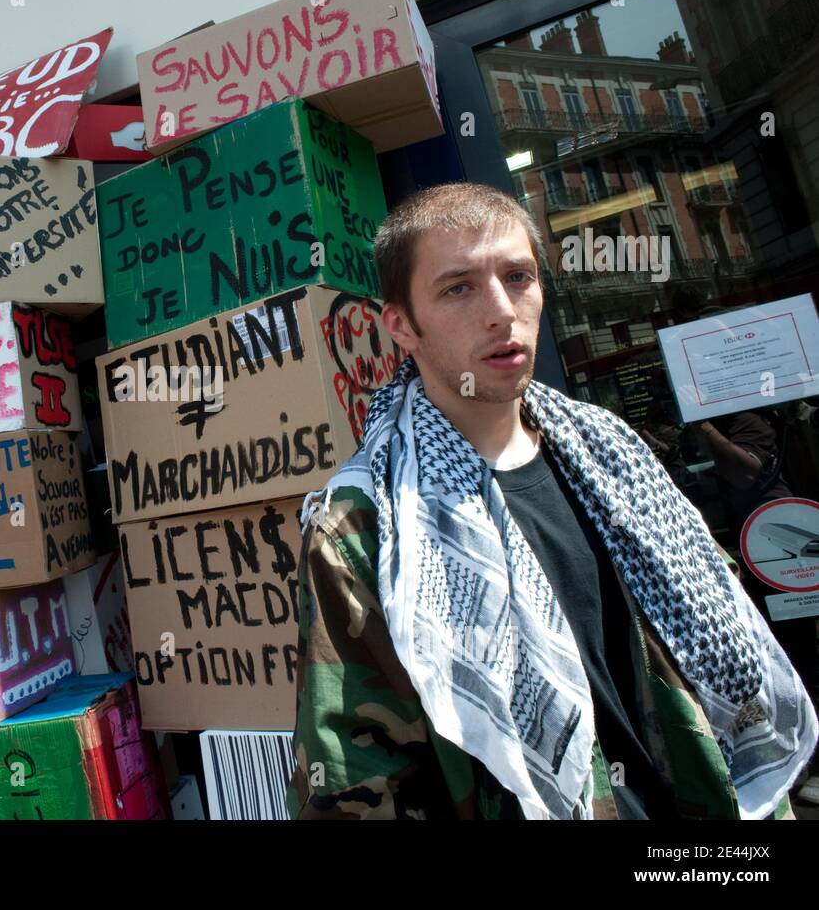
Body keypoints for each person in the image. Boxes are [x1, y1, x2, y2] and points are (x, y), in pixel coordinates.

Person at [285, 182, 817, 820]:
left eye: (518, 277)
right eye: (458, 287)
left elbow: (714, 651)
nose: (501, 311)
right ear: (400, 324)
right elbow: (357, 784)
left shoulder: (613, 457)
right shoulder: (365, 526)